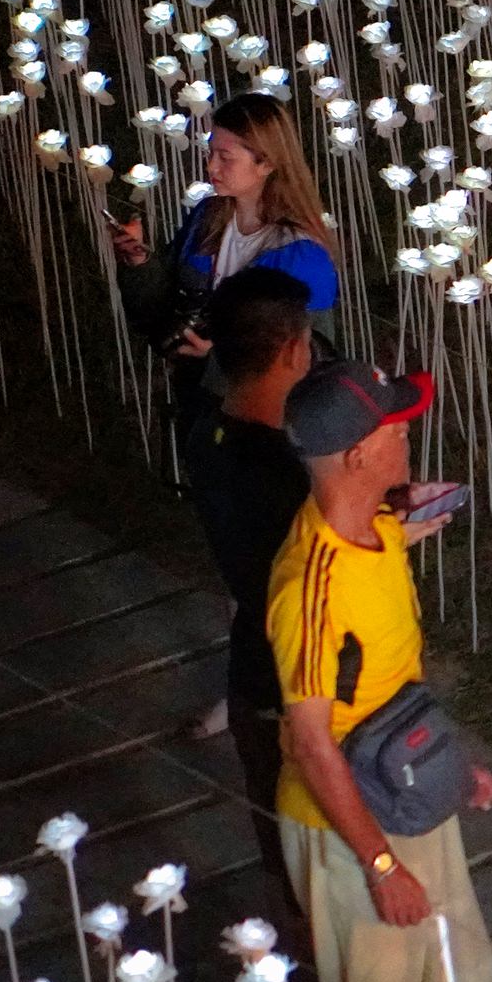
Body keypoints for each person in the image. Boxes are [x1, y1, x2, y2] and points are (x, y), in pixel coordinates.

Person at [266, 358, 492, 982]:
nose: (409, 435)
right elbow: (309, 743)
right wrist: (380, 862)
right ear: (359, 454)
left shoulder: (378, 526)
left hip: (411, 790)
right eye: (396, 427)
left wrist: (449, 770)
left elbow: (393, 673)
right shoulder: (309, 586)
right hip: (350, 827)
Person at [180, 267, 318, 889]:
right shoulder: (286, 474)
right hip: (299, 690)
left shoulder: (207, 430)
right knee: (319, 872)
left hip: (251, 674)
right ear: (293, 351)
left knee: (285, 864)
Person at [110, 92, 341, 427]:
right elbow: (161, 311)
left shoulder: (303, 258)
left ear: (267, 163)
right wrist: (139, 263)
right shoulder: (208, 218)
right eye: (210, 152)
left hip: (260, 427)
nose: (211, 166)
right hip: (197, 409)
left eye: (225, 157)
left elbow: (313, 363)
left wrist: (218, 360)